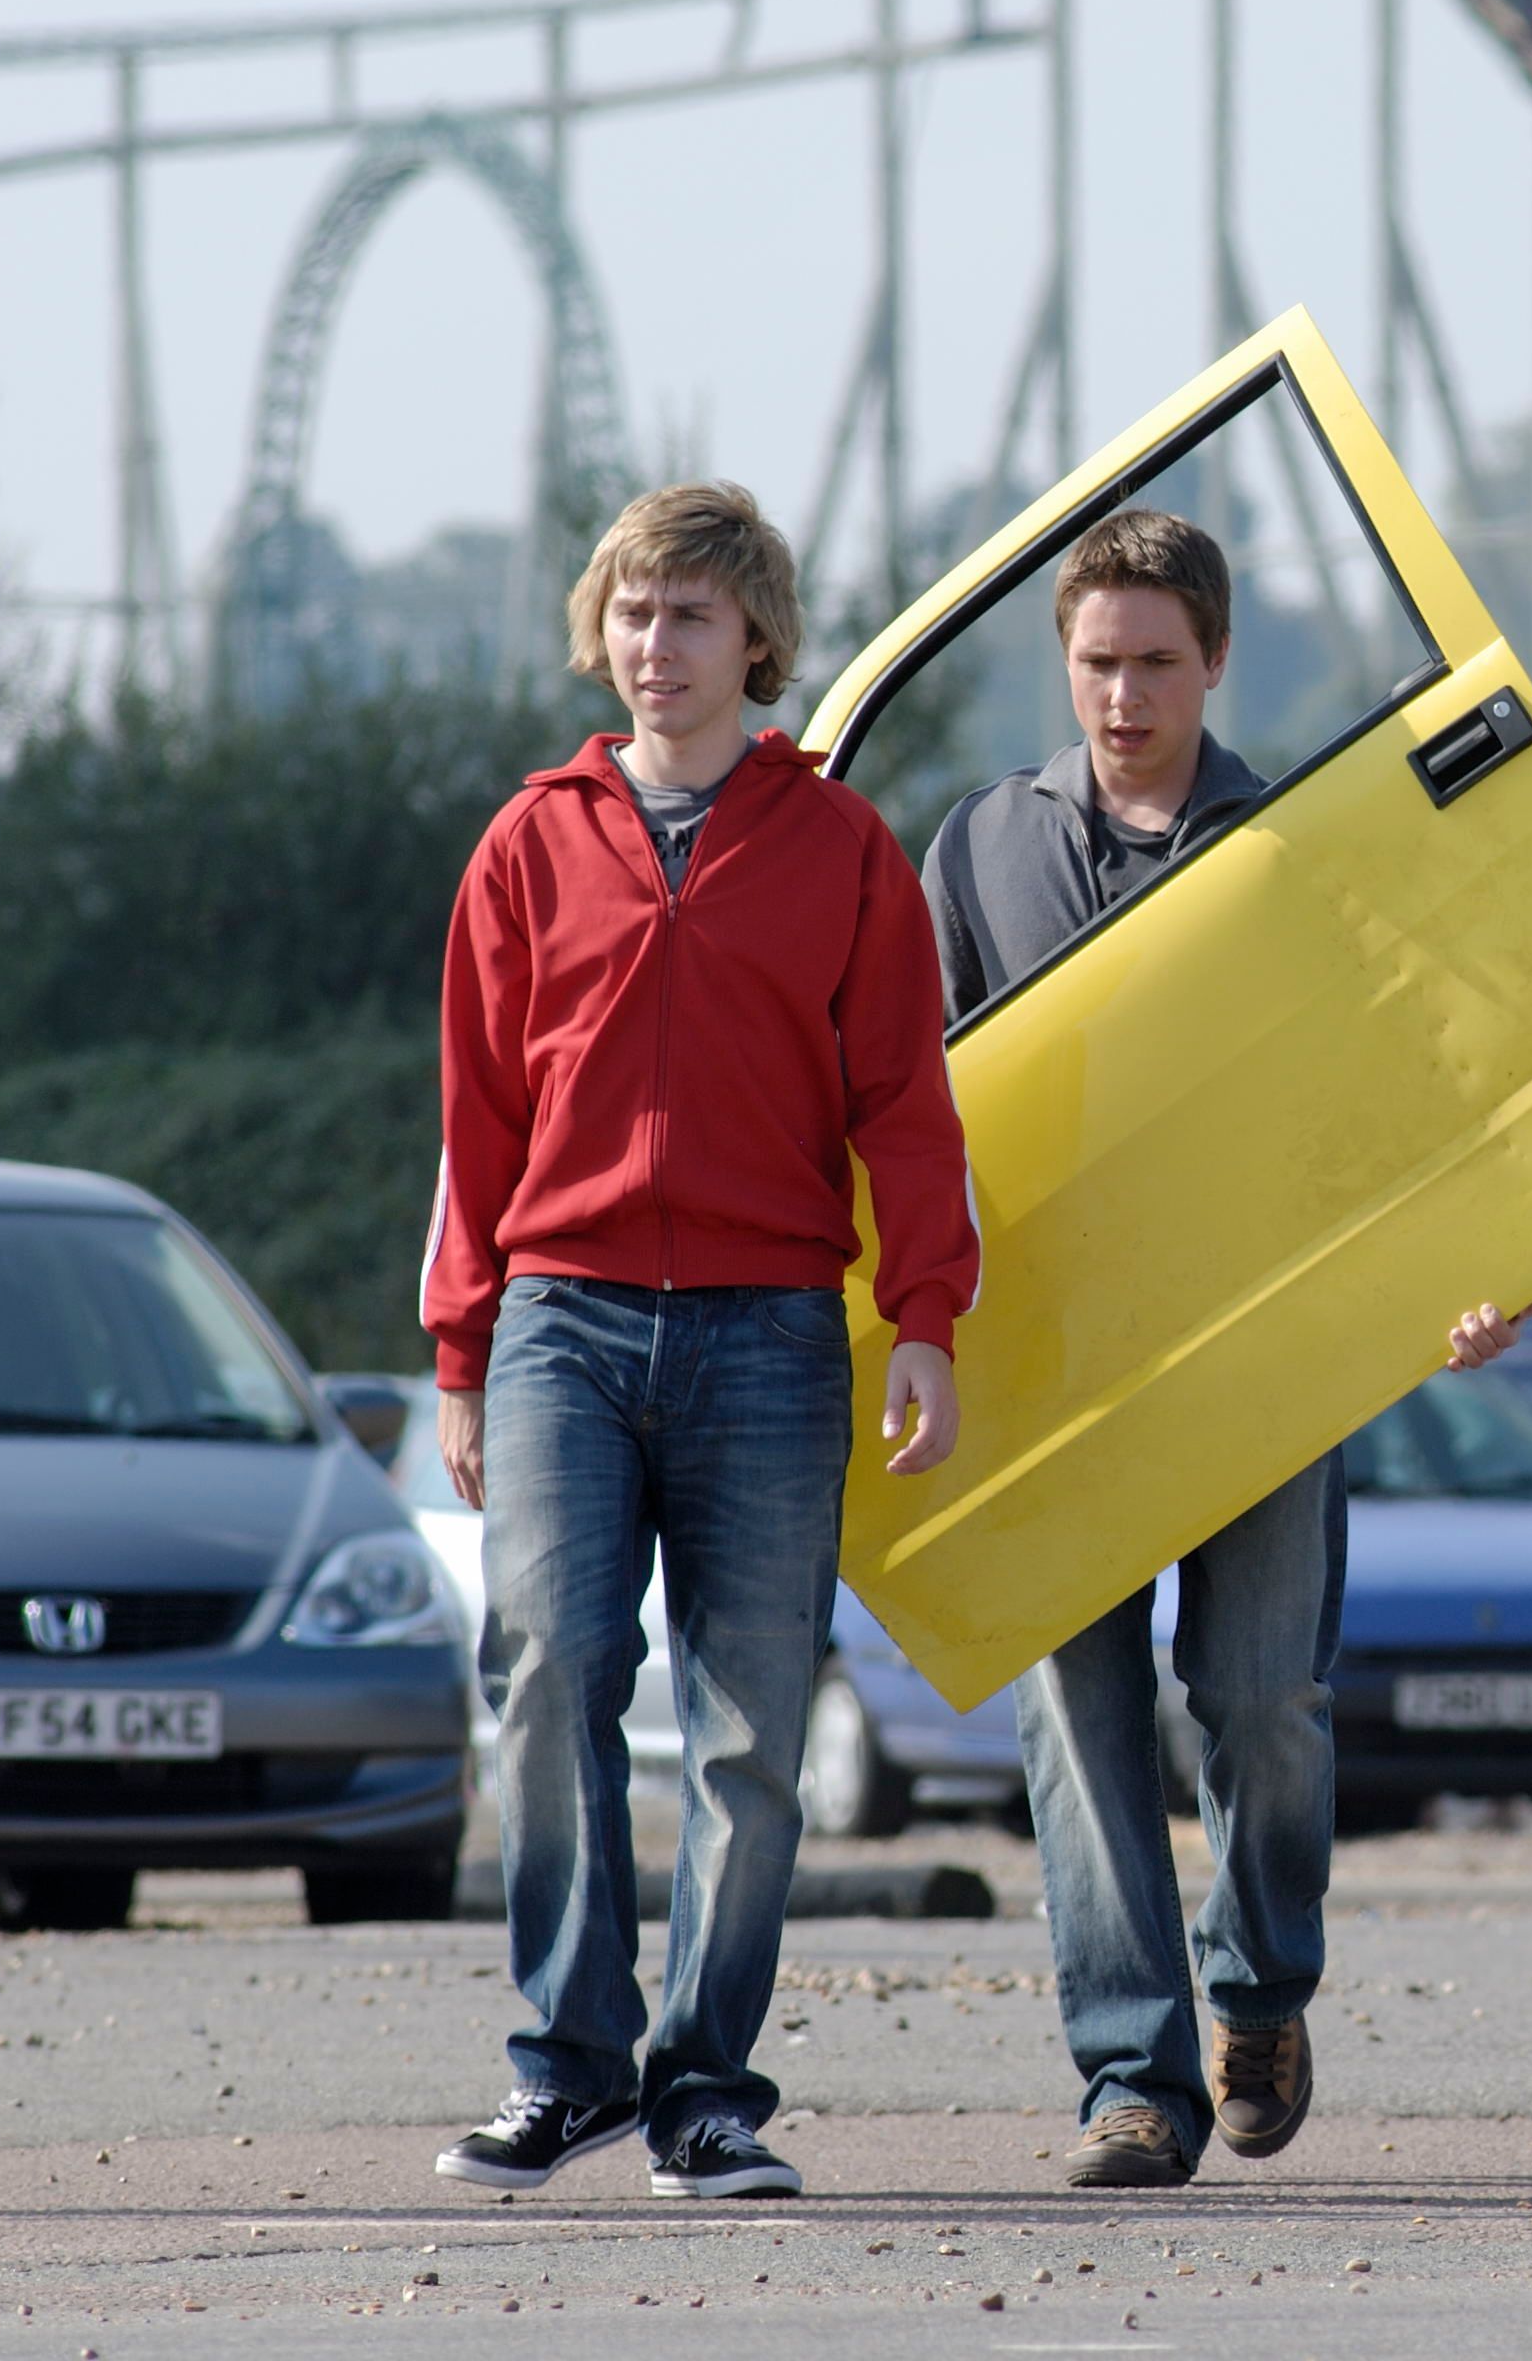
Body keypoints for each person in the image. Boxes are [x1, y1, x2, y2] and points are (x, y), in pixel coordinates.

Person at [923, 505, 1524, 2189]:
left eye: (1157, 662)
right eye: (1098, 662)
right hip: (1051, 1365)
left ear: (1215, 659)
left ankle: (1260, 1979)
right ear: (1063, 659)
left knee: (1262, 1702)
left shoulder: (1301, 846)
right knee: (1076, 1719)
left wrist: (1477, 1263)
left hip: (1270, 1347)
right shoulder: (974, 845)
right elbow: (918, 1111)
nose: (1124, 694)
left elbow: (1406, 1087)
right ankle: (1132, 2073)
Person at [422, 482, 981, 2202]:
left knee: (749, 1729)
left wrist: (926, 1320)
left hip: (768, 1331)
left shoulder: (842, 849)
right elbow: (476, 1109)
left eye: (688, 616)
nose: (653, 646)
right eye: (631, 614)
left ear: (758, 640)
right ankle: (568, 2063)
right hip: (562, 1325)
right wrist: (460, 1341)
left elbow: (905, 1100)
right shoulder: (529, 841)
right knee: (551, 1673)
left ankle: (705, 2091)